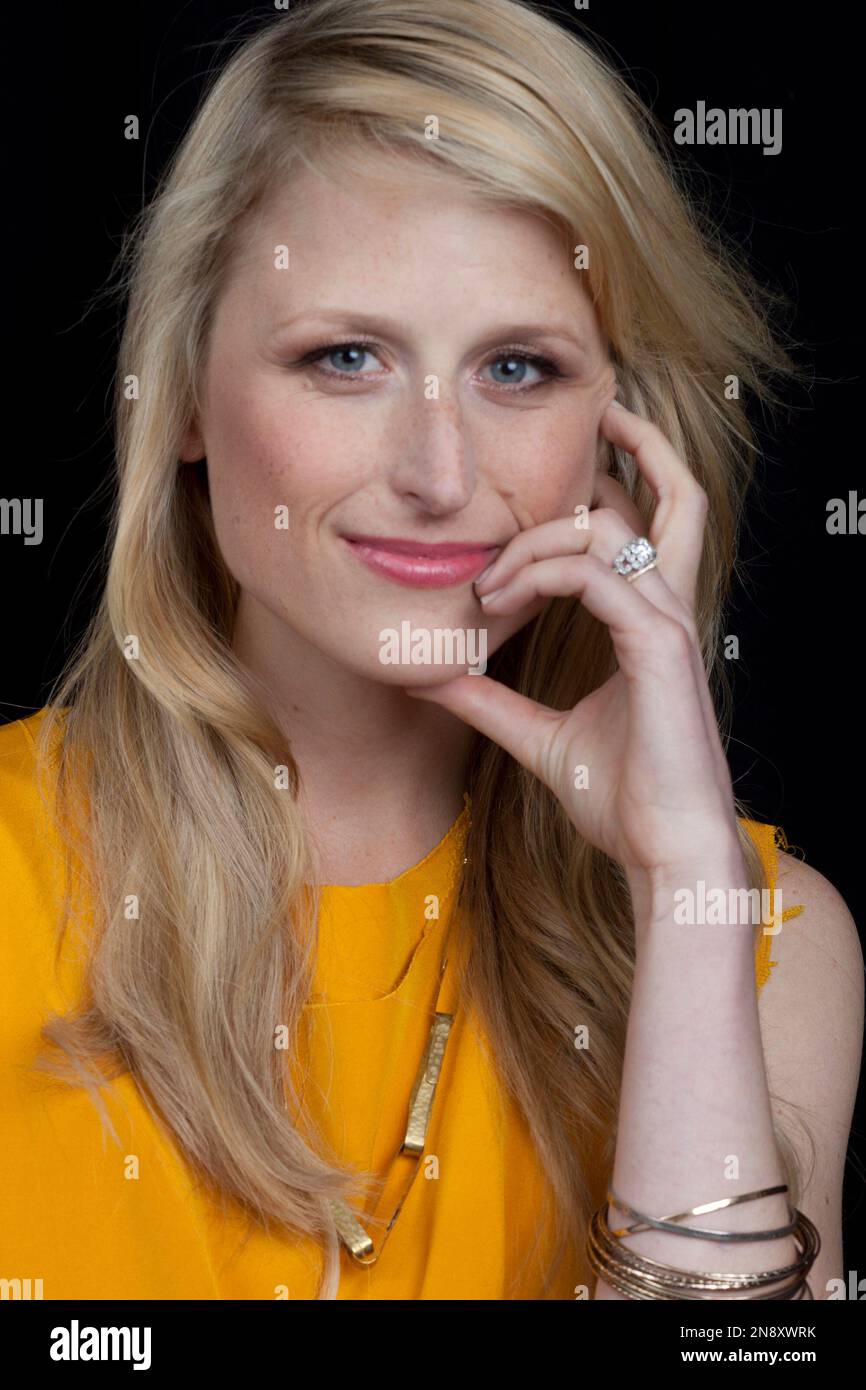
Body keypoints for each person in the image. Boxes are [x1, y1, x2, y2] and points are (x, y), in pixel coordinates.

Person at [1, 0, 861, 1302]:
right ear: (179, 394)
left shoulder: (761, 937)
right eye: (345, 357)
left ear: (617, 437)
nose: (440, 473)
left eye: (517, 369)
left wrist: (679, 887)